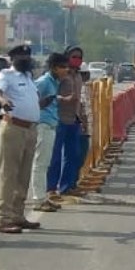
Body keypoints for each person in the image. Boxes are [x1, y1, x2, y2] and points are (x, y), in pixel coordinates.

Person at [0, 45, 44, 236]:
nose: (25, 58)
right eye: (21, 55)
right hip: (13, 127)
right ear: (12, 58)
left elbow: (33, 100)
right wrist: (3, 101)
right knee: (9, 174)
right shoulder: (7, 74)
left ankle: (17, 215)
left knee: (23, 175)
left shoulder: (29, 77)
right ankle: (4, 218)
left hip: (30, 130)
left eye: (27, 55)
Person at [30, 53, 68, 213]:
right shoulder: (44, 82)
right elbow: (31, 97)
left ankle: (43, 197)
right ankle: (38, 200)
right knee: (40, 164)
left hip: (51, 124)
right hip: (43, 125)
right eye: (62, 67)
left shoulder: (54, 82)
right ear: (53, 68)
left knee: (45, 163)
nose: (65, 70)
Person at [50, 46, 90, 199]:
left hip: (74, 120)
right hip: (59, 119)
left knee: (74, 155)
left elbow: (80, 100)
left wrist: (83, 118)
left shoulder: (78, 76)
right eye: (74, 56)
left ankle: (68, 185)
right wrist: (63, 99)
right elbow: (51, 94)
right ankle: (52, 189)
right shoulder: (61, 76)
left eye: (80, 57)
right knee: (55, 158)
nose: (77, 60)